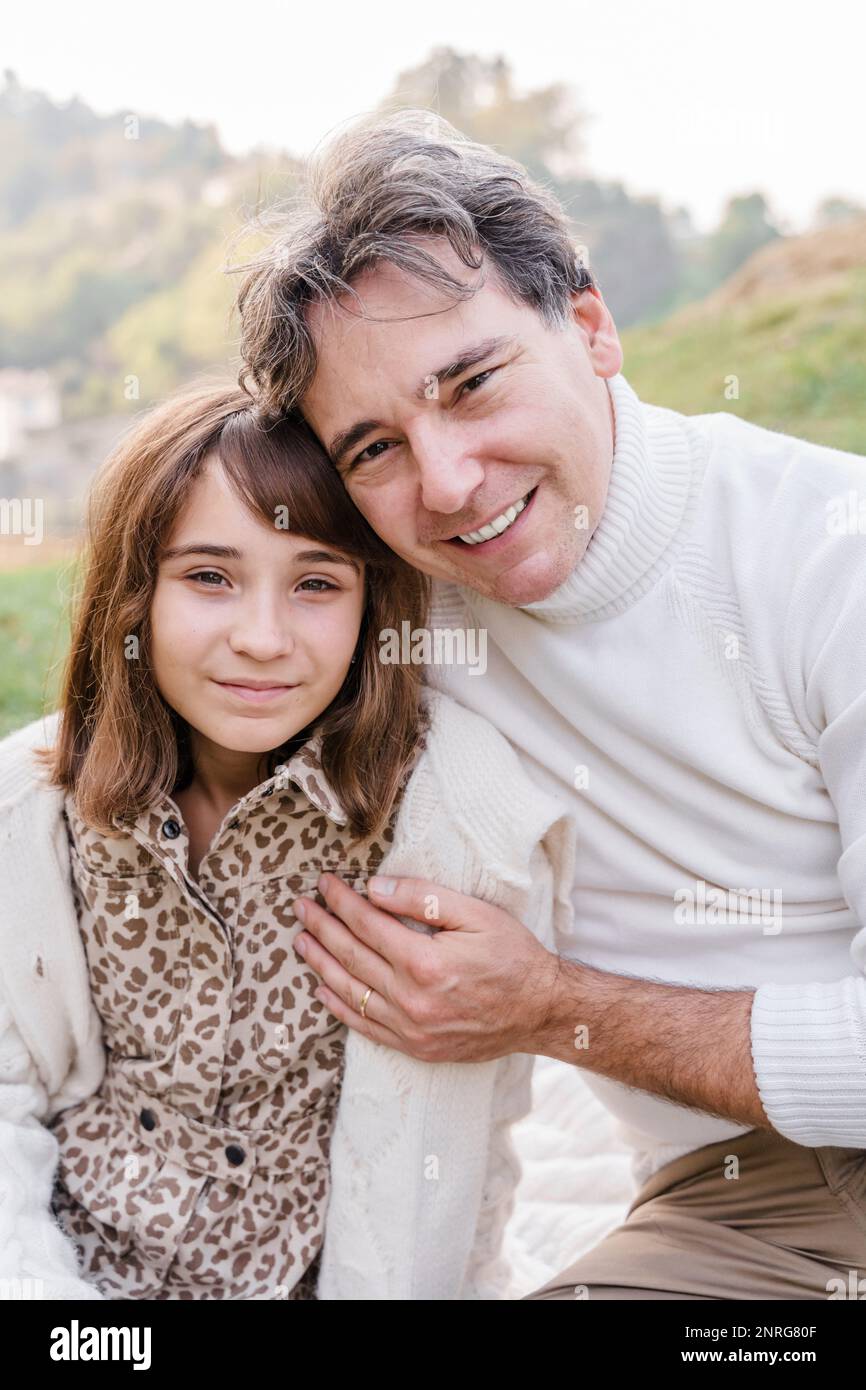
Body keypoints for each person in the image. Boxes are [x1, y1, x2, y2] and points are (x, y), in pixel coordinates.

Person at [231, 108, 866, 1299]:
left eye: (470, 384)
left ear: (588, 324)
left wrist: (547, 1006)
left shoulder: (828, 557)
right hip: (734, 1205)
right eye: (372, 448)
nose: (447, 481)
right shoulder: (393, 613)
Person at [0, 380, 577, 1301]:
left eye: (315, 583)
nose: (262, 638)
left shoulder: (443, 817)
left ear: (372, 605)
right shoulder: (35, 804)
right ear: (132, 594)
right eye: (208, 577)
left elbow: (450, 1153)